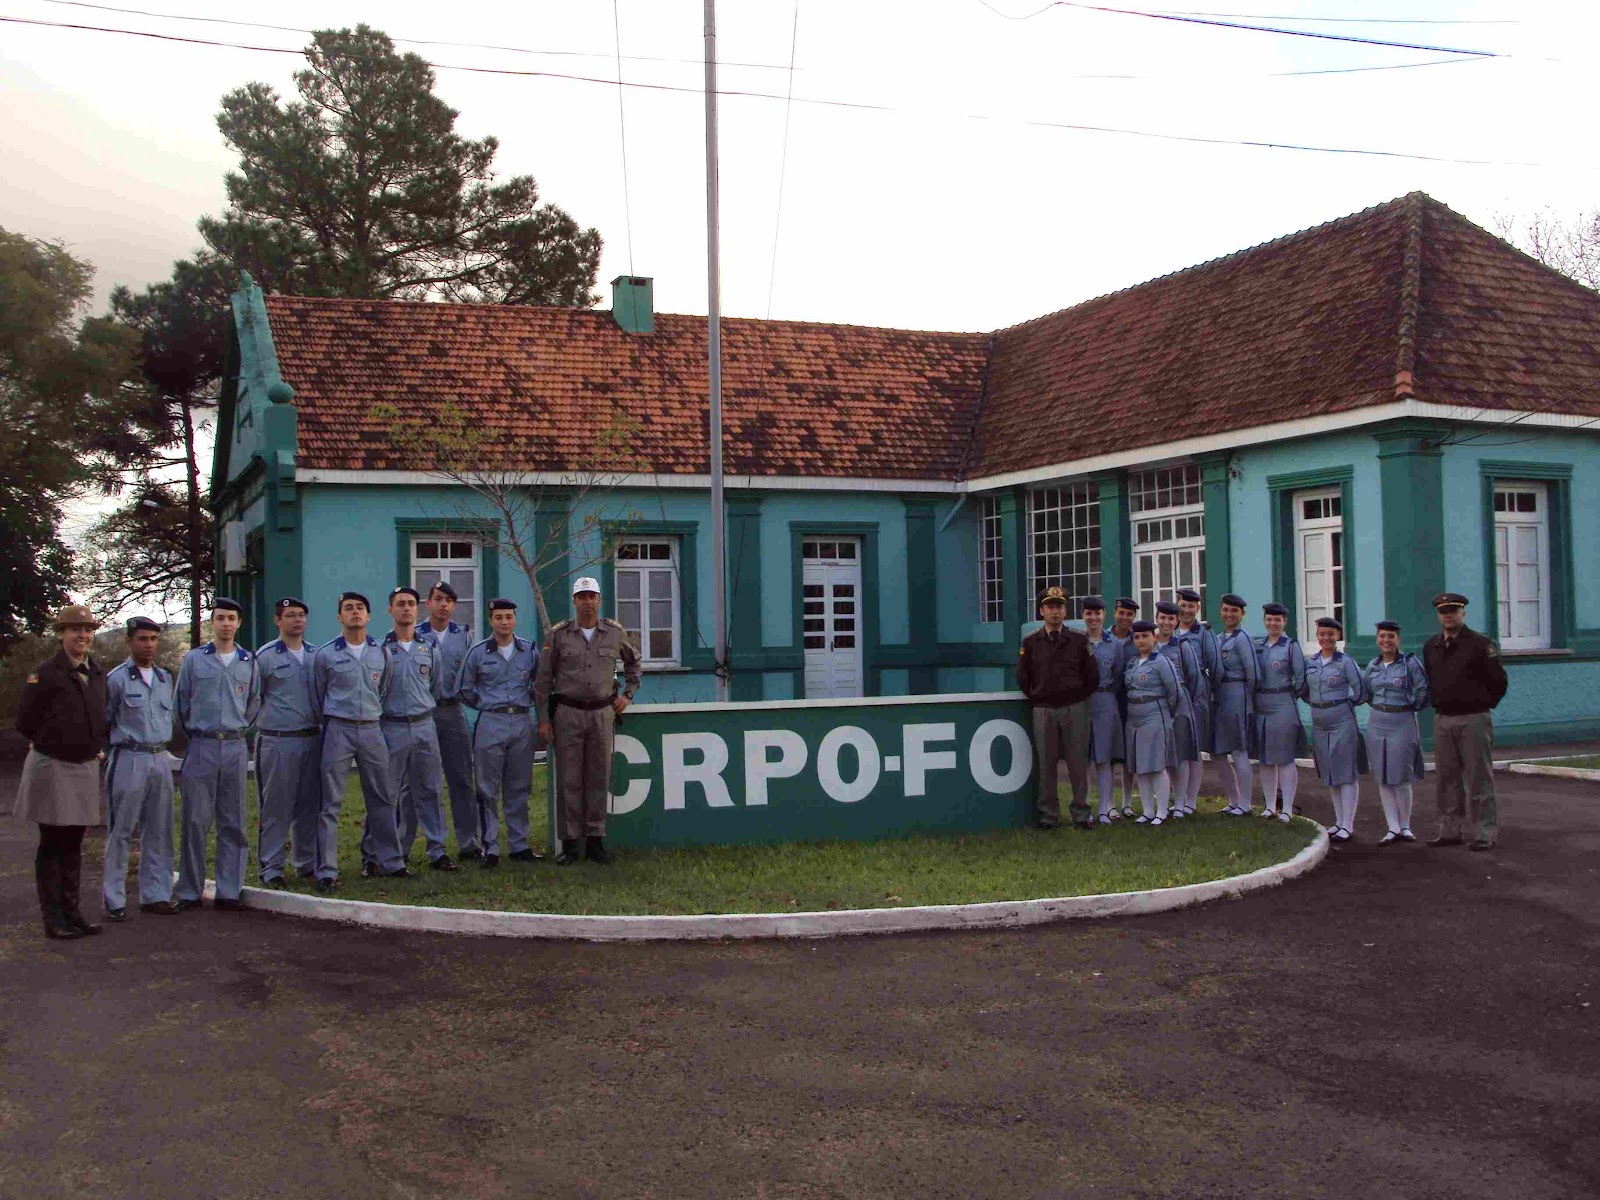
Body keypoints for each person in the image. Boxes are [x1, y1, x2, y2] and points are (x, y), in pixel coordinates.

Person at [534, 577, 642, 865]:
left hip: (601, 714)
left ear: (599, 599)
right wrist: (544, 720)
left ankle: (595, 841)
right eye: (581, 597)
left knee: (598, 776)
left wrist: (628, 695)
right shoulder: (558, 635)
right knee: (568, 778)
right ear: (574, 601)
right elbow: (543, 681)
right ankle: (570, 844)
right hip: (567, 714)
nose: (587, 602)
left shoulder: (614, 634)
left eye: (591, 596)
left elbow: (634, 664)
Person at [15, 605, 107, 939]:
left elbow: (98, 715)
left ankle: (73, 913)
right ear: (61, 634)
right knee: (52, 842)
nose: (83, 635)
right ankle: (53, 920)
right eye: (74, 630)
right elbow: (25, 720)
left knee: (74, 841)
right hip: (53, 765)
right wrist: (51, 741)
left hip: (83, 765)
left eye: (87, 629)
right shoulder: (45, 673)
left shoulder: (96, 672)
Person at [312, 591, 409, 891]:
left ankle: (391, 862)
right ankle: (326, 869)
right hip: (338, 729)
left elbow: (384, 689)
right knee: (330, 802)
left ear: (369, 616)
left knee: (382, 796)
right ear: (340, 616)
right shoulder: (326, 654)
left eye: (360, 608)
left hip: (371, 729)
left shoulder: (381, 653)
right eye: (348, 608)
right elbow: (318, 695)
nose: (355, 613)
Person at [174, 597, 261, 912]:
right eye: (220, 618)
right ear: (212, 622)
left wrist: (241, 728)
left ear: (239, 623)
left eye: (231, 618)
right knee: (195, 821)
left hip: (235, 747)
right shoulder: (195, 661)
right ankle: (189, 890)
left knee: (233, 820)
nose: (226, 623)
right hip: (202, 745)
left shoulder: (248, 661)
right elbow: (181, 704)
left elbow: (254, 701)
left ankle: (228, 891)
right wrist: (197, 735)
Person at [101, 616, 178, 920]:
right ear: (130, 642)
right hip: (129, 757)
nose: (148, 645)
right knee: (121, 829)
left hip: (160, 757)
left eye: (153, 639)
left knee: (158, 829)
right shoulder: (117, 679)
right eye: (142, 639)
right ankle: (114, 899)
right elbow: (105, 721)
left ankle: (155, 895)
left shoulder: (164, 678)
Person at [459, 598, 542, 868]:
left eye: (509, 616)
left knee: (519, 786)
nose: (504, 622)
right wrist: (487, 706)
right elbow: (466, 689)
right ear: (491, 620)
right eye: (499, 617)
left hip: (520, 721)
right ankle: (490, 846)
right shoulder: (479, 653)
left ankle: (519, 844)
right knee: (487, 788)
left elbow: (539, 685)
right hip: (490, 722)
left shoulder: (529, 650)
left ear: (515, 619)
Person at [1422, 592, 1508, 851]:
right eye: (1443, 611)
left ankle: (1484, 832)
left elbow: (1499, 681)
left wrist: (1481, 703)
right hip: (1443, 720)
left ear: (1463, 613)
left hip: (1473, 719)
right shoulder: (1432, 646)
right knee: (1447, 779)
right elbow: (1431, 679)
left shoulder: (1481, 644)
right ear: (1438, 615)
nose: (1447, 615)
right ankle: (1450, 830)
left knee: (1479, 778)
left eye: (1453, 610)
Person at [381, 587, 456, 872]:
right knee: (387, 793)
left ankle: (437, 850)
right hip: (392, 727)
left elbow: (435, 688)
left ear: (417, 609)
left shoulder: (428, 647)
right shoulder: (381, 649)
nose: (406, 609)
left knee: (431, 789)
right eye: (400, 604)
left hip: (424, 725)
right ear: (391, 610)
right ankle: (389, 853)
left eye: (411, 604)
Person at [1015, 586, 1098, 830]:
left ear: (1065, 611)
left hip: (1074, 708)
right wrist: (1038, 697)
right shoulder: (1031, 643)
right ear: (1041, 611)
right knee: (1046, 764)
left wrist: (1077, 696)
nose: (1055, 612)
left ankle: (1081, 814)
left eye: (1060, 607)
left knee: (1077, 764)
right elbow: (1022, 677)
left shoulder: (1079, 640)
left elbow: (1092, 675)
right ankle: (1049, 815)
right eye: (1050, 607)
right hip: (1044, 710)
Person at [254, 597, 322, 887]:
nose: (297, 620)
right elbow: (254, 698)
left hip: (311, 738)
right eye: (290, 615)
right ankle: (272, 867)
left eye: (301, 615)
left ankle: (306, 863)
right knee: (276, 807)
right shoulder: (265, 657)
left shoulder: (316, 655)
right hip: (278, 741)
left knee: (310, 806)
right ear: (278, 621)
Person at [423, 582, 481, 860]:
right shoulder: (416, 634)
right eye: (438, 599)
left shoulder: (464, 636)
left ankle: (469, 842)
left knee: (461, 778)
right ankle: (414, 842)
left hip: (453, 711)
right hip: (423, 713)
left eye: (448, 600)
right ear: (428, 603)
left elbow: (472, 675)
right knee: (420, 781)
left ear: (454, 606)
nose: (443, 604)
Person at [1363, 620, 1431, 846]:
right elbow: (1368, 692)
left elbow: (1422, 689)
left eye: (1390, 637)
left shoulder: (1409, 663)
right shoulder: (1373, 665)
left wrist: (1411, 705)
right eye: (1382, 636)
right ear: (1377, 639)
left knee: (1400, 776)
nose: (1386, 641)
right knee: (1382, 775)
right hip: (1377, 722)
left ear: (1398, 640)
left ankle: (1405, 826)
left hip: (1402, 721)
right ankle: (1391, 827)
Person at [1304, 616, 1368, 844]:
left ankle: (1348, 825)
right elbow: (1303, 687)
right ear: (1317, 637)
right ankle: (1338, 821)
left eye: (1330, 634)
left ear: (1338, 636)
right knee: (1330, 770)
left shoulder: (1345, 662)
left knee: (1345, 771)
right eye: (1322, 634)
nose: (1326, 638)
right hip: (1320, 721)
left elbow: (1361, 690)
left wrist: (1346, 704)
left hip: (1342, 719)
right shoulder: (1311, 662)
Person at [1121, 620, 1181, 826]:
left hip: (1154, 715)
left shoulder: (1162, 662)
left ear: (1154, 637)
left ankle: (1162, 811)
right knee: (1140, 766)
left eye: (1145, 636)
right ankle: (1147, 810)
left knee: (1156, 765)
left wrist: (1165, 714)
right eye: (1136, 637)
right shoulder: (1132, 663)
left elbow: (1174, 692)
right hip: (1134, 716)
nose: (1140, 640)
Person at [1252, 602, 1306, 823]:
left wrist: (1289, 695)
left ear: (1284, 622)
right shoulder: (1258, 645)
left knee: (1284, 758)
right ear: (1264, 621)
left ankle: (1287, 809)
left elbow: (1301, 679)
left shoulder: (1291, 646)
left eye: (1277, 620)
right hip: (1261, 704)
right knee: (1265, 758)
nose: (1273, 623)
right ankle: (1269, 805)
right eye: (1269, 619)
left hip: (1283, 703)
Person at [1152, 601, 1203, 818]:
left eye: (1170, 619)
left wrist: (1185, 702)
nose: (1166, 622)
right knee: (1165, 755)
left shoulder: (1183, 646)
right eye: (1162, 618)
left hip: (1180, 705)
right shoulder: (1150, 644)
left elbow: (1194, 679)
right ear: (1156, 619)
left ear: (1176, 621)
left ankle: (1181, 802)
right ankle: (1172, 798)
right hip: (1157, 705)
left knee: (1181, 755)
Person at [1211, 593, 1259, 816]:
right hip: (1220, 698)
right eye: (1226, 610)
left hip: (1238, 695)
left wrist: (1247, 702)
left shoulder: (1242, 639)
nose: (1229, 615)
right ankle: (1233, 799)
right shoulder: (1219, 638)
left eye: (1234, 611)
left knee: (1239, 752)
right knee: (1218, 753)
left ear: (1242, 614)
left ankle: (1246, 804)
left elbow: (1253, 674)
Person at [1080, 597, 1126, 824]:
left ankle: (1103, 809)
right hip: (1082, 702)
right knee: (1084, 759)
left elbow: (1118, 675)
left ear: (1104, 615)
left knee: (1104, 758)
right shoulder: (1077, 642)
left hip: (1106, 702)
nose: (1093, 618)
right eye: (1089, 613)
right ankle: (1085, 808)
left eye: (1097, 613)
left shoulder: (1115, 644)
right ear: (1083, 616)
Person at [1173, 587, 1218, 814]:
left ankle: (1191, 800)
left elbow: (1215, 666)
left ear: (1198, 608)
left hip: (1198, 695)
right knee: (1178, 748)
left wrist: (1209, 693)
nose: (1187, 610)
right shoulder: (1169, 630)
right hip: (1175, 696)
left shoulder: (1204, 633)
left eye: (1192, 606)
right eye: (1183, 605)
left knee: (1195, 748)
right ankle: (1178, 798)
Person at [1109, 597, 1140, 817]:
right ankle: (1108, 802)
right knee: (1109, 753)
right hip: (1108, 699)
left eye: (1129, 614)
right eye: (1122, 613)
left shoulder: (1137, 640)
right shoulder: (1103, 638)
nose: (1125, 618)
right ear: (1114, 613)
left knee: (1129, 755)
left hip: (1129, 701)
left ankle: (1127, 802)